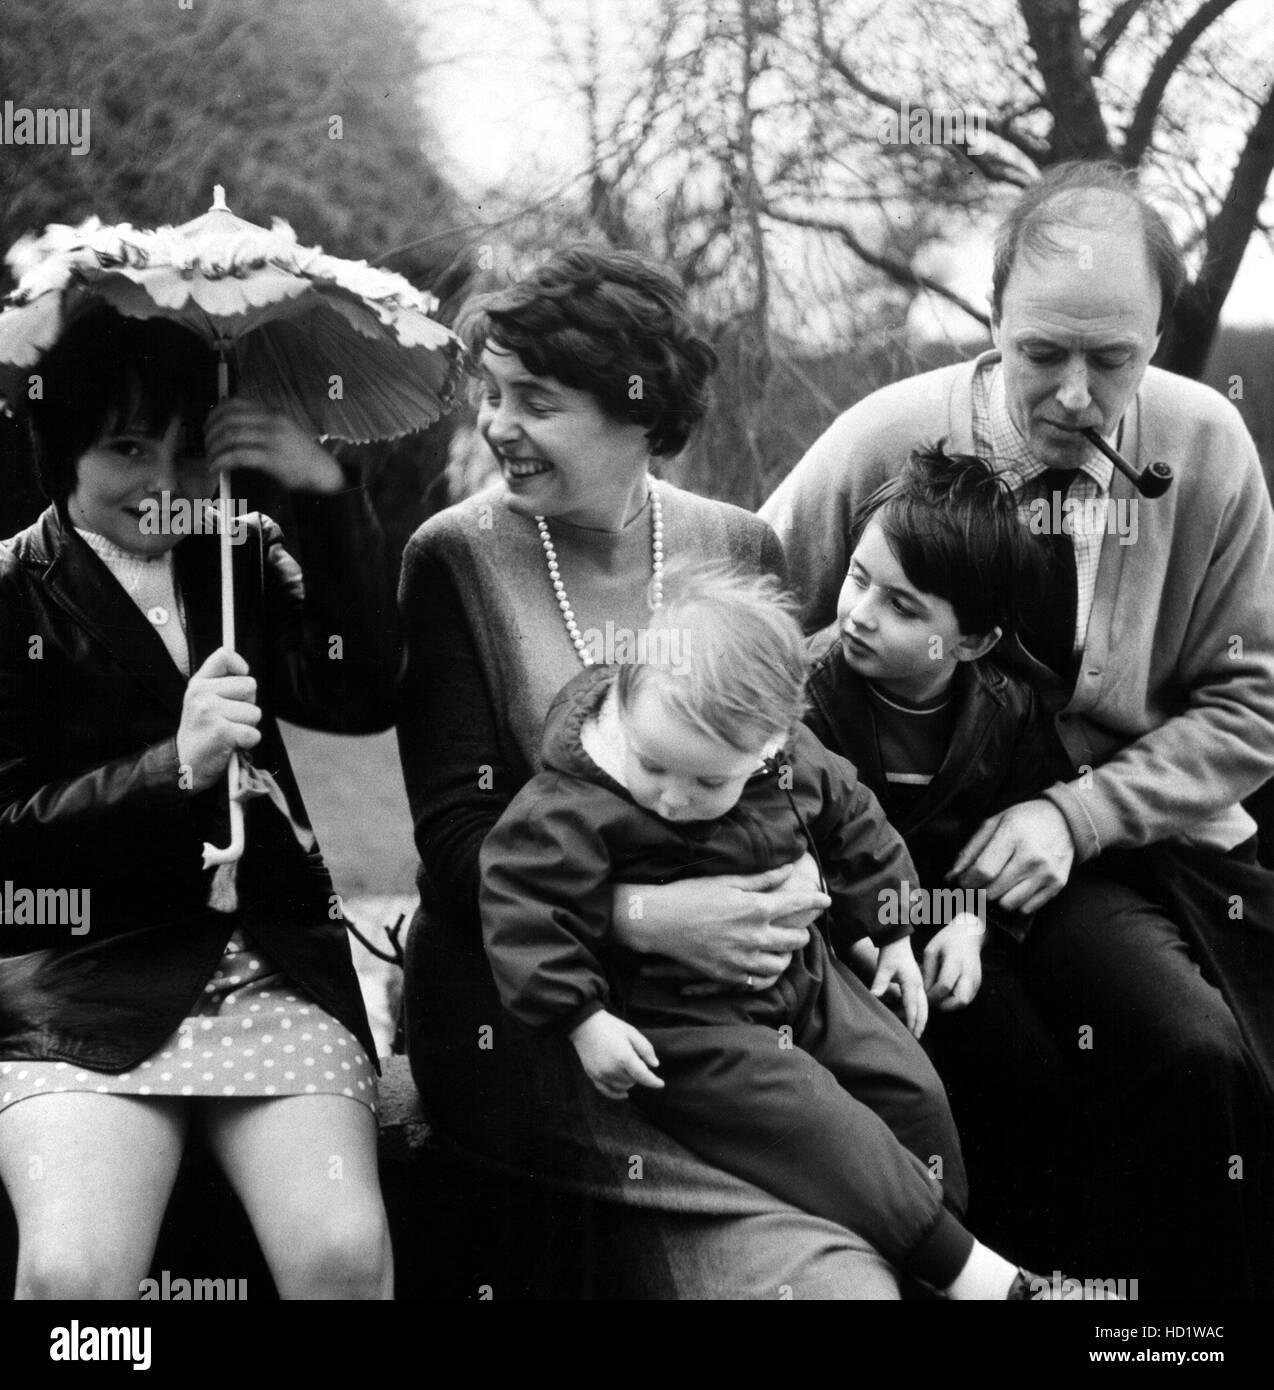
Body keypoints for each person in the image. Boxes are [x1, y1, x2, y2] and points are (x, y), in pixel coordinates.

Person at [761, 159, 1274, 1298]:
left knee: (1192, 1051)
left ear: (1158, 332)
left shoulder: (1204, 449)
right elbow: (734, 620)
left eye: (1114, 358)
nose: (1077, 396)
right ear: (989, 322)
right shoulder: (881, 438)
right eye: (1042, 353)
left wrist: (1074, 814)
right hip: (898, 856)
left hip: (1106, 851)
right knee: (998, 1070)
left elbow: (1251, 706)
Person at [396, 244, 906, 1299]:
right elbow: (453, 848)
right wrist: (640, 918)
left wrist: (844, 906)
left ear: (640, 415)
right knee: (823, 1271)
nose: (497, 426)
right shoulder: (453, 556)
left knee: (903, 1157)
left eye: (534, 402)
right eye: (490, 395)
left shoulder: (740, 548)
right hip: (534, 1014)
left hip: (745, 1006)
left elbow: (786, 767)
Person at [481, 567, 1112, 1299]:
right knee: (822, 1125)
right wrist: (583, 1018)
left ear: (770, 744)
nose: (673, 797)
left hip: (807, 981)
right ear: (622, 702)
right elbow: (523, 906)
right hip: (688, 1022)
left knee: (912, 1092)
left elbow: (855, 827)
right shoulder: (572, 804)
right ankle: (985, 1284)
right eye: (653, 766)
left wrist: (897, 934)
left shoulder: (788, 759)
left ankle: (932, 1259)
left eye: (709, 783)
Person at [0, 307, 398, 1299]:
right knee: (73, 1271)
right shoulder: (11, 593)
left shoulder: (239, 554)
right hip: (83, 985)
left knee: (342, 1254)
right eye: (129, 447)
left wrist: (328, 491)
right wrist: (168, 766)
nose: (162, 485)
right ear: (62, 449)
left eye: (187, 452)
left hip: (269, 965)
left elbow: (357, 691)